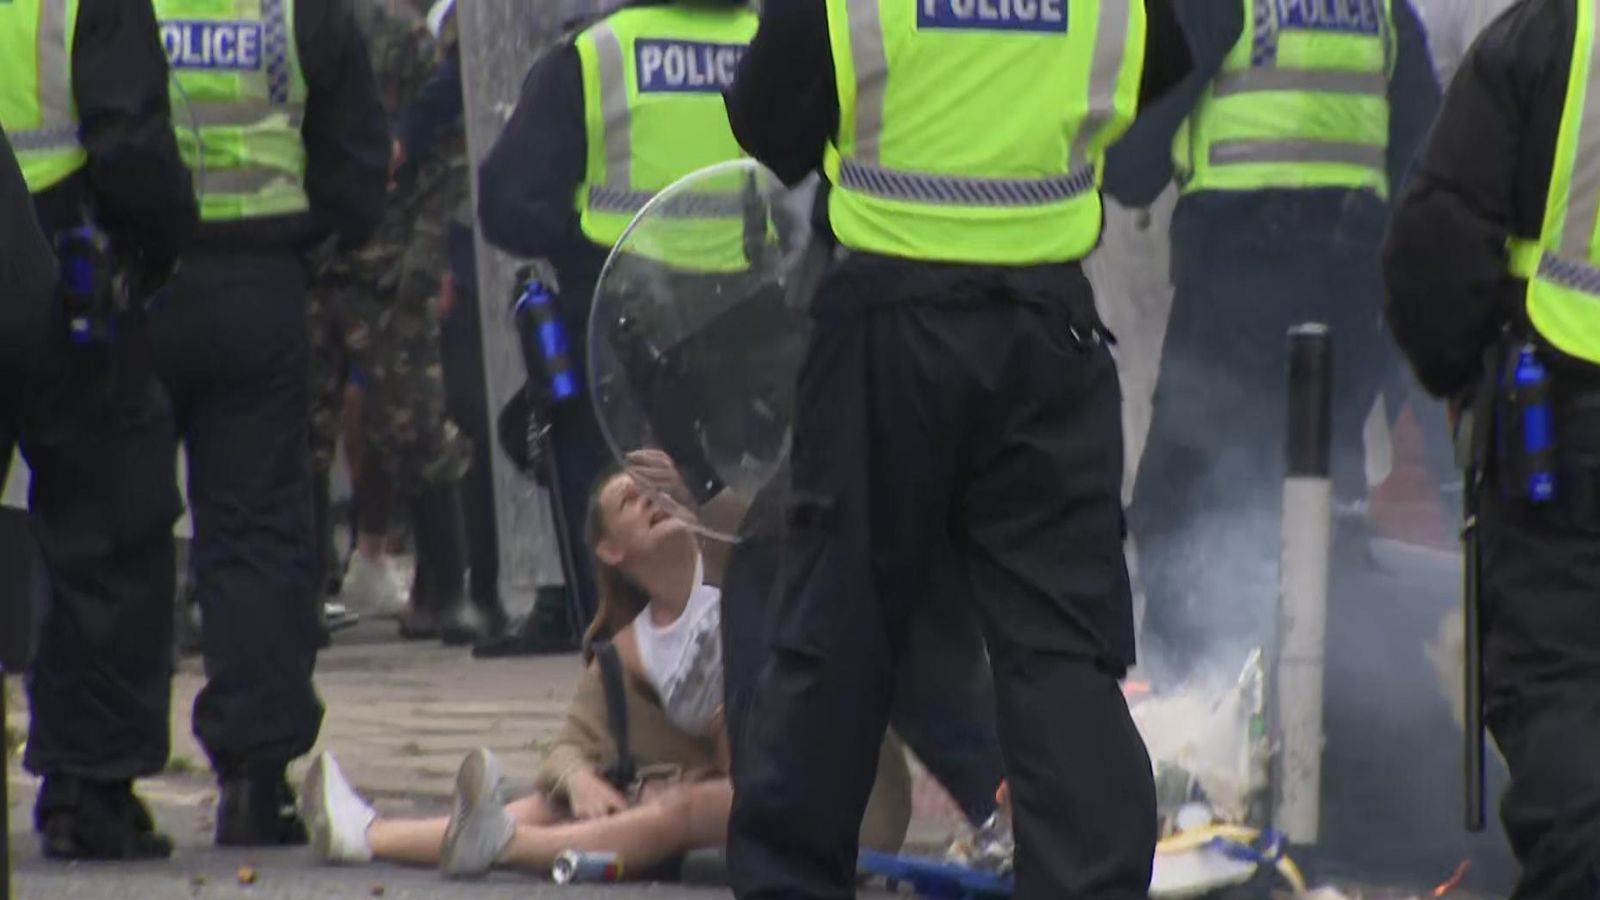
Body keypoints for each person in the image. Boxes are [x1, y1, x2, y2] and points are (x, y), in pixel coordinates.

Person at [722, 0, 1193, 895]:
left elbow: (766, 119)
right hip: (1044, 334)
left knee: (835, 626)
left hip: (885, 334)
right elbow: (1162, 64)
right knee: (1061, 648)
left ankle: (790, 880)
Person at [297, 465, 914, 878]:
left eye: (656, 491)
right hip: (744, 806)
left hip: (838, 795)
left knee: (681, 805)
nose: (650, 501)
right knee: (556, 800)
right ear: (611, 551)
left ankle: (502, 845)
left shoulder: (738, 553)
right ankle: (367, 834)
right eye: (630, 500)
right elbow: (569, 746)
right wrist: (579, 779)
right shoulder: (624, 656)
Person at [1102, 0, 1440, 682]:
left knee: (1187, 527)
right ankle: (1327, 722)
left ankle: (1200, 718)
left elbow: (1131, 170)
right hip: (1346, 312)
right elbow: (1426, 163)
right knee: (1324, 534)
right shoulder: (1379, 10)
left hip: (1234, 306)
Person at [147, 0, 388, 846]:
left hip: (132, 279)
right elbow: (358, 166)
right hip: (260, 280)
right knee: (257, 534)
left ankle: (89, 782)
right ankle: (254, 781)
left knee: (114, 527)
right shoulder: (299, 10)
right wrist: (312, 237)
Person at [1383, 0, 1600, 894]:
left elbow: (1435, 252)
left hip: (1567, 438)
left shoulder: (1555, 34)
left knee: (1564, 695)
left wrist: (1458, 376)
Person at [477, 0, 761, 650]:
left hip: (616, 327)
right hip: (745, 329)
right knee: (738, 522)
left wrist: (580, 246)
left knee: (617, 509)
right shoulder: (770, 39)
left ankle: (629, 680)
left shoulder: (595, 54)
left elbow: (508, 203)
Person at [2, 0, 199, 860]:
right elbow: (131, 143)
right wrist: (161, 246)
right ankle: (88, 790)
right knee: (108, 524)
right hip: (63, 261)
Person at [308, 0, 484, 643]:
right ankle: (303, 597)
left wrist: (430, 257)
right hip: (305, 252)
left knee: (416, 424)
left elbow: (448, 161)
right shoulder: (280, 26)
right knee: (301, 430)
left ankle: (447, 593)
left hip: (389, 264)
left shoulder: (397, 37)